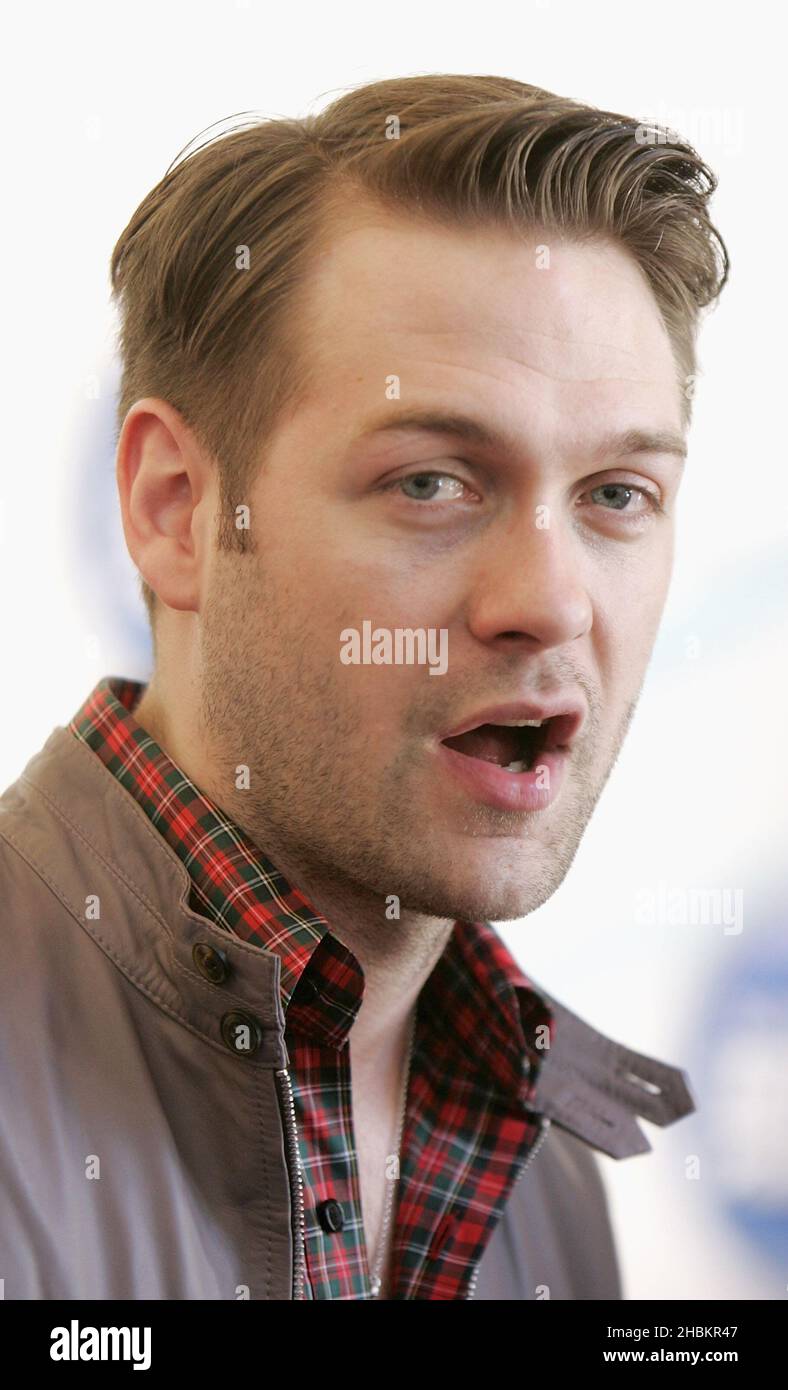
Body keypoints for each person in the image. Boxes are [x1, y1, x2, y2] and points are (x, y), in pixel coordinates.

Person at [0, 73, 727, 1300]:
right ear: (176, 510)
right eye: (431, 482)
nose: (549, 602)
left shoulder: (552, 1170)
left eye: (614, 495)